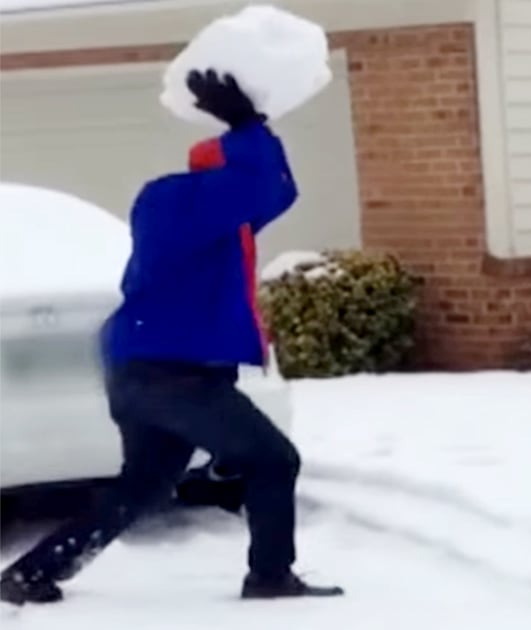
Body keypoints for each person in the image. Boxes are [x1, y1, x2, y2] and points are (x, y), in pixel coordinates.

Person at [0, 69, 343, 605]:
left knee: (146, 484)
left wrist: (254, 126)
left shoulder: (219, 221)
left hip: (151, 368)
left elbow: (277, 189)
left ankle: (32, 573)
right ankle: (271, 576)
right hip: (170, 372)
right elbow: (258, 185)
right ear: (223, 173)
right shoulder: (172, 203)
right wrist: (243, 126)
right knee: (274, 459)